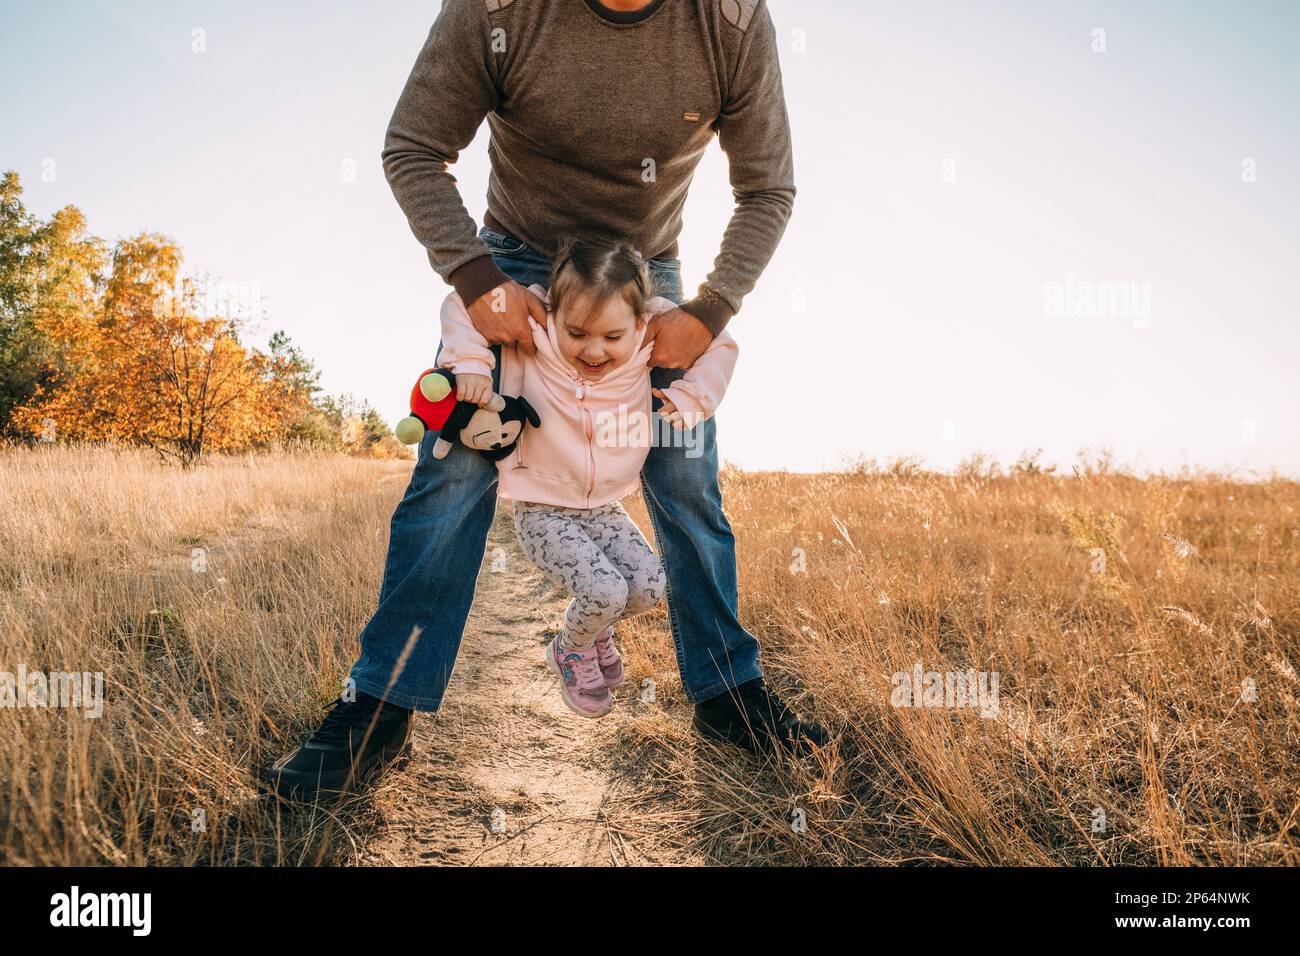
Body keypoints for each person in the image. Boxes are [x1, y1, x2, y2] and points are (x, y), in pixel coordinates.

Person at [265, 0, 828, 802]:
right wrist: (475, 279)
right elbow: (414, 148)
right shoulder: (499, 11)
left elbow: (768, 188)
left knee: (685, 470)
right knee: (454, 471)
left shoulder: (730, 21)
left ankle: (728, 695)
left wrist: (709, 311)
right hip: (511, 267)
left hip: (644, 277)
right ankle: (380, 706)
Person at [442, 236, 737, 718]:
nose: (593, 350)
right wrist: (471, 364)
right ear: (555, 312)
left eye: (611, 338)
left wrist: (694, 397)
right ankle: (570, 647)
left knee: (649, 587)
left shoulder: (648, 331)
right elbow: (460, 303)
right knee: (606, 591)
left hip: (605, 506)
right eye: (577, 332)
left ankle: (595, 630)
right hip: (542, 509)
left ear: (638, 322)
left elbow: (721, 341)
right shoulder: (536, 324)